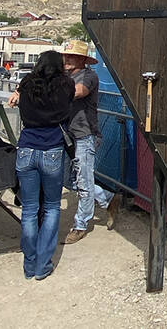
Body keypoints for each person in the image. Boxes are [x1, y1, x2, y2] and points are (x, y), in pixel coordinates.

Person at [9, 49, 76, 280]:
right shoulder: (65, 85)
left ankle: (29, 264)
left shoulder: (27, 83)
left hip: (26, 147)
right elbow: (68, 105)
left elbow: (20, 95)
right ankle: (42, 264)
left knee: (29, 209)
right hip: (52, 150)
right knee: (51, 207)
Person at [58, 40, 118, 244]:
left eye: (71, 56)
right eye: (65, 56)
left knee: (83, 181)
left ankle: (80, 225)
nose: (66, 59)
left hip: (85, 135)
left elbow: (79, 92)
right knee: (69, 179)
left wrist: (50, 90)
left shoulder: (89, 76)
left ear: (83, 59)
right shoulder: (64, 77)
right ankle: (108, 198)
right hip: (69, 134)